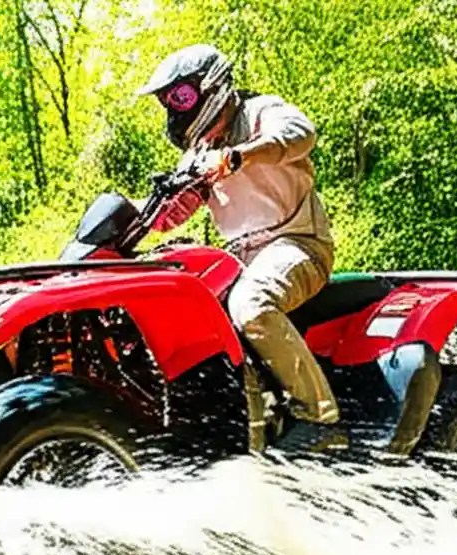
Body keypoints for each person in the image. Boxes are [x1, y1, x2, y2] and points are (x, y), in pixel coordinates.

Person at [135, 43, 341, 434]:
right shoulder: (199, 152)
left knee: (251, 303)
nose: (176, 109)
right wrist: (146, 215)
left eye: (181, 97)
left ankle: (321, 420)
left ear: (210, 85)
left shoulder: (260, 111)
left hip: (298, 244)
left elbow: (300, 134)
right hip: (238, 257)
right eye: (169, 102)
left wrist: (238, 156)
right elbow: (177, 208)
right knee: (176, 304)